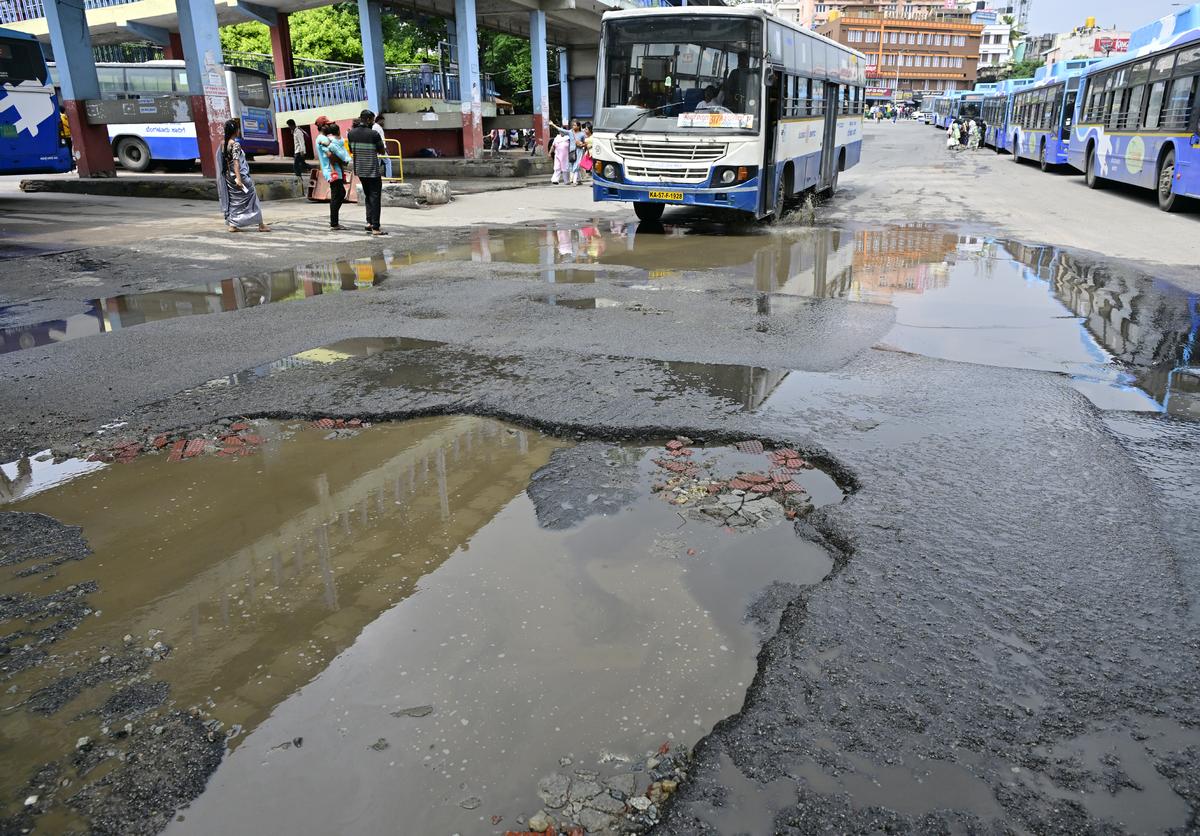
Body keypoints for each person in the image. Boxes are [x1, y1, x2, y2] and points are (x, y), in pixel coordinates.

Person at [216, 119, 270, 233]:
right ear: (235, 131)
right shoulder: (235, 145)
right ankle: (261, 224)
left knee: (235, 201)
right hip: (240, 176)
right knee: (253, 198)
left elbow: (225, 162)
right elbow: (236, 162)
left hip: (229, 177)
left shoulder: (222, 144)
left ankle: (233, 225)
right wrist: (239, 180)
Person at [348, 109, 386, 236]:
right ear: (369, 119)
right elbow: (382, 151)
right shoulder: (374, 134)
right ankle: (376, 227)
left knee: (368, 196)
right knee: (375, 198)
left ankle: (369, 222)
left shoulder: (351, 133)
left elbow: (352, 151)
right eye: (372, 120)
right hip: (372, 170)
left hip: (360, 169)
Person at [316, 123, 351, 230]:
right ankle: (334, 223)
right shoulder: (322, 139)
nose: (327, 127)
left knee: (340, 194)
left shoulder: (327, 139)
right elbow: (330, 156)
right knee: (337, 195)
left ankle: (334, 222)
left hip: (335, 171)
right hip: (332, 171)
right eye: (326, 125)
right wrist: (342, 160)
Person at [371, 112, 392, 178]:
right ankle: (389, 178)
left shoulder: (376, 127)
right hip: (380, 148)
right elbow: (380, 139)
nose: (383, 123)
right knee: (388, 162)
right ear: (379, 120)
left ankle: (376, 177)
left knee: (378, 163)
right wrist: (385, 148)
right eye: (383, 121)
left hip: (379, 148)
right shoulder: (376, 127)